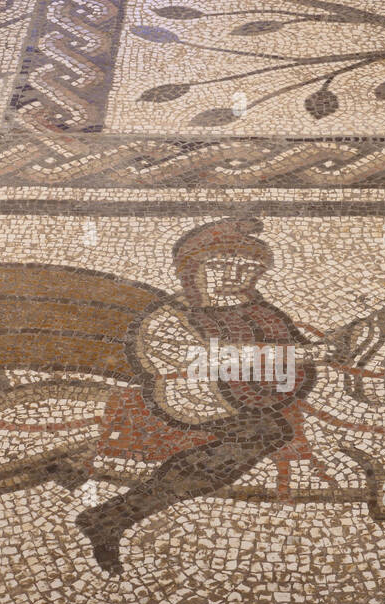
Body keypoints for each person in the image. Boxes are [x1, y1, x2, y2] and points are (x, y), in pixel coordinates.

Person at [77, 217, 329, 574]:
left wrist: (312, 354)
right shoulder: (170, 317)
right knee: (266, 432)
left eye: (248, 269)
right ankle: (111, 517)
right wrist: (297, 355)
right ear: (193, 270)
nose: (236, 276)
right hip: (196, 398)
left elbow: (294, 348)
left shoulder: (261, 312)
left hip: (257, 395)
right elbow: (204, 360)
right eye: (224, 266)